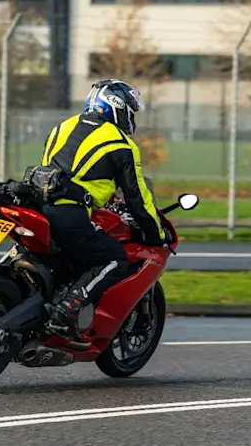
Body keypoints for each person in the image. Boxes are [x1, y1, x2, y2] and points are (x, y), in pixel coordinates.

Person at [34, 78, 168, 334]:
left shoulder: (63, 126)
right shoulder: (121, 144)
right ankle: (66, 311)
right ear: (118, 106)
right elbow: (138, 200)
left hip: (36, 204)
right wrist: (156, 234)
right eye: (131, 109)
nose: (133, 117)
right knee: (115, 260)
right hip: (68, 214)